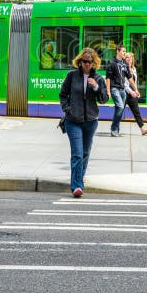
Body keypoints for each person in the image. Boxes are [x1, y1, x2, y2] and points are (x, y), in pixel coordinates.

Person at [59, 47, 108, 198]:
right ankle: (76, 186)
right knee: (77, 154)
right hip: (73, 121)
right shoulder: (72, 75)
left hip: (90, 122)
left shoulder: (98, 78)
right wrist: (67, 109)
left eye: (90, 62)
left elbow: (104, 99)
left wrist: (96, 87)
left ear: (94, 63)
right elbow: (63, 94)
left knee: (85, 153)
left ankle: (79, 180)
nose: (87, 64)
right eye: (85, 61)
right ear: (80, 62)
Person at [105, 43, 138, 137]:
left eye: (125, 51)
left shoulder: (124, 64)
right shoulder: (112, 63)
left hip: (122, 90)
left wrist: (136, 90)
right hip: (114, 88)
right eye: (123, 51)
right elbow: (108, 78)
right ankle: (114, 129)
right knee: (120, 107)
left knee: (120, 109)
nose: (124, 53)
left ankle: (116, 129)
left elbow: (130, 78)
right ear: (118, 51)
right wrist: (108, 91)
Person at [124, 51, 147, 136]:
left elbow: (134, 82)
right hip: (124, 92)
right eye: (127, 57)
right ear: (124, 59)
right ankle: (114, 128)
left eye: (131, 57)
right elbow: (123, 83)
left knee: (136, 111)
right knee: (119, 111)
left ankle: (142, 129)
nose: (129, 59)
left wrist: (136, 91)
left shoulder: (134, 69)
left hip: (132, 93)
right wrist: (130, 91)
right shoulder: (122, 68)